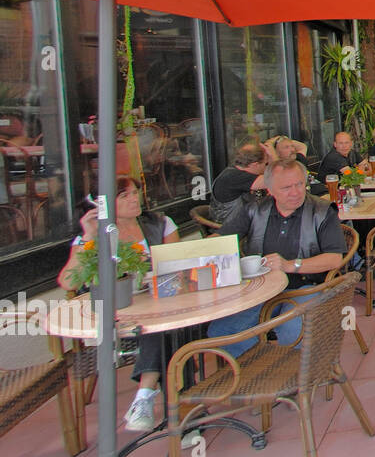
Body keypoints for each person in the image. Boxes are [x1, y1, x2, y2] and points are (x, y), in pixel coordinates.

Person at [59, 176, 179, 431]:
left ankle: (146, 396)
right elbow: (68, 282)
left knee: (168, 324)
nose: (134, 199)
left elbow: (176, 265)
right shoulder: (97, 234)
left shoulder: (160, 223)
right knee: (165, 328)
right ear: (101, 204)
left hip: (160, 302)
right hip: (121, 312)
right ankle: (181, 417)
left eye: (135, 193)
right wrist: (88, 236)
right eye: (124, 196)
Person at [209, 158, 346, 357]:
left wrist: (289, 265)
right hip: (262, 289)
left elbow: (334, 258)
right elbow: (222, 239)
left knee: (292, 332)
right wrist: (188, 252)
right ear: (270, 190)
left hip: (307, 287)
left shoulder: (322, 211)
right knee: (221, 331)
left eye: (299, 184)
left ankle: (294, 380)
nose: (296, 192)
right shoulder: (254, 210)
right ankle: (259, 376)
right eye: (286, 187)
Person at [209, 139, 267, 225]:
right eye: (265, 164)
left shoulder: (236, 173)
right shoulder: (234, 177)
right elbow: (277, 181)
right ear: (254, 164)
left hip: (245, 223)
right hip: (232, 229)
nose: (266, 168)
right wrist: (273, 155)